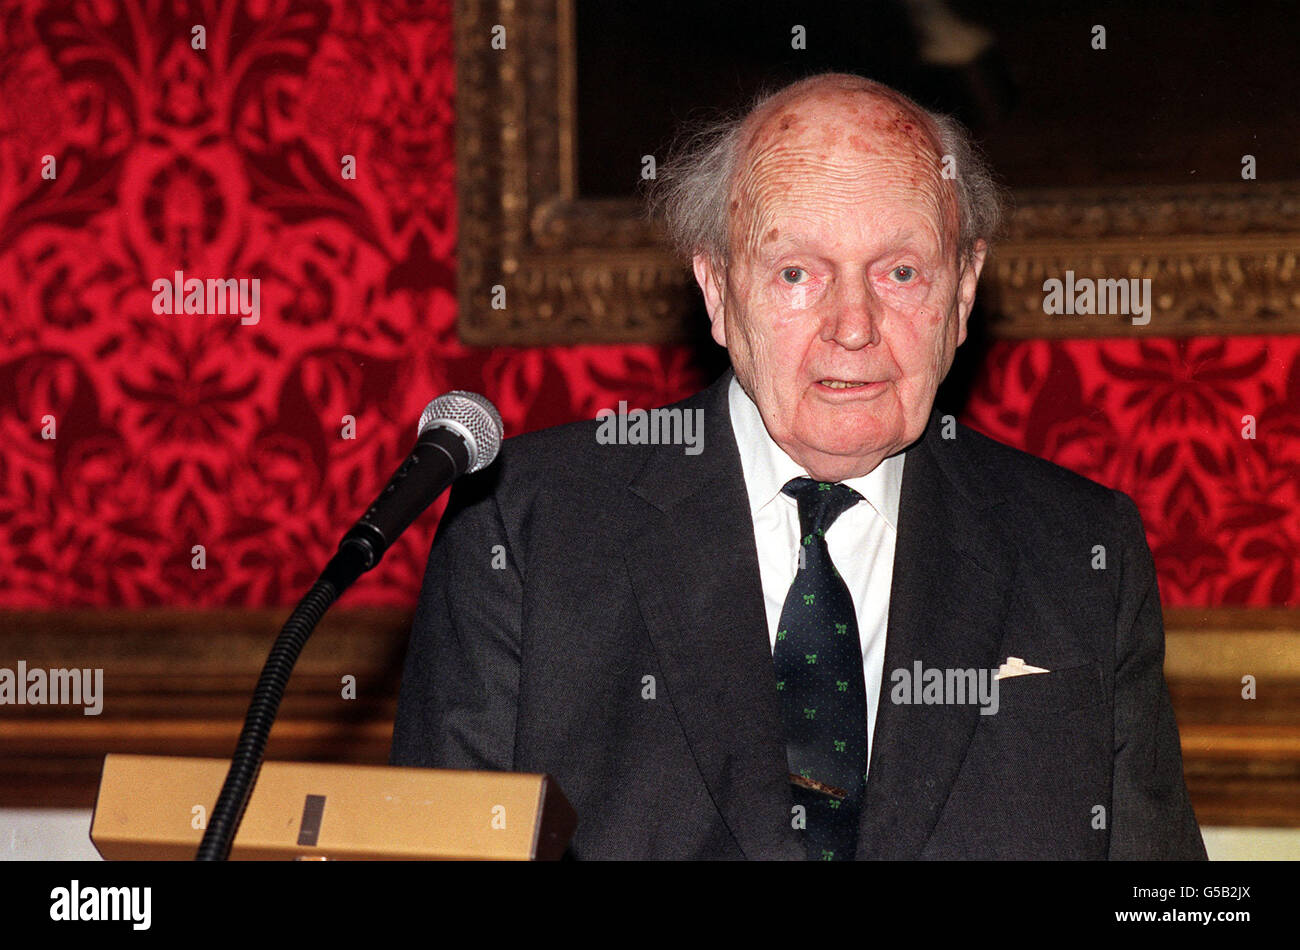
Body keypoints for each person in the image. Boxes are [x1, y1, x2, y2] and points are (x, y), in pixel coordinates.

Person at [391, 72, 1207, 860]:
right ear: (716, 288)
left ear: (963, 292)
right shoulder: (529, 530)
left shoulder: (1080, 551)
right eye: (796, 273)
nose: (853, 326)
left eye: (900, 272)